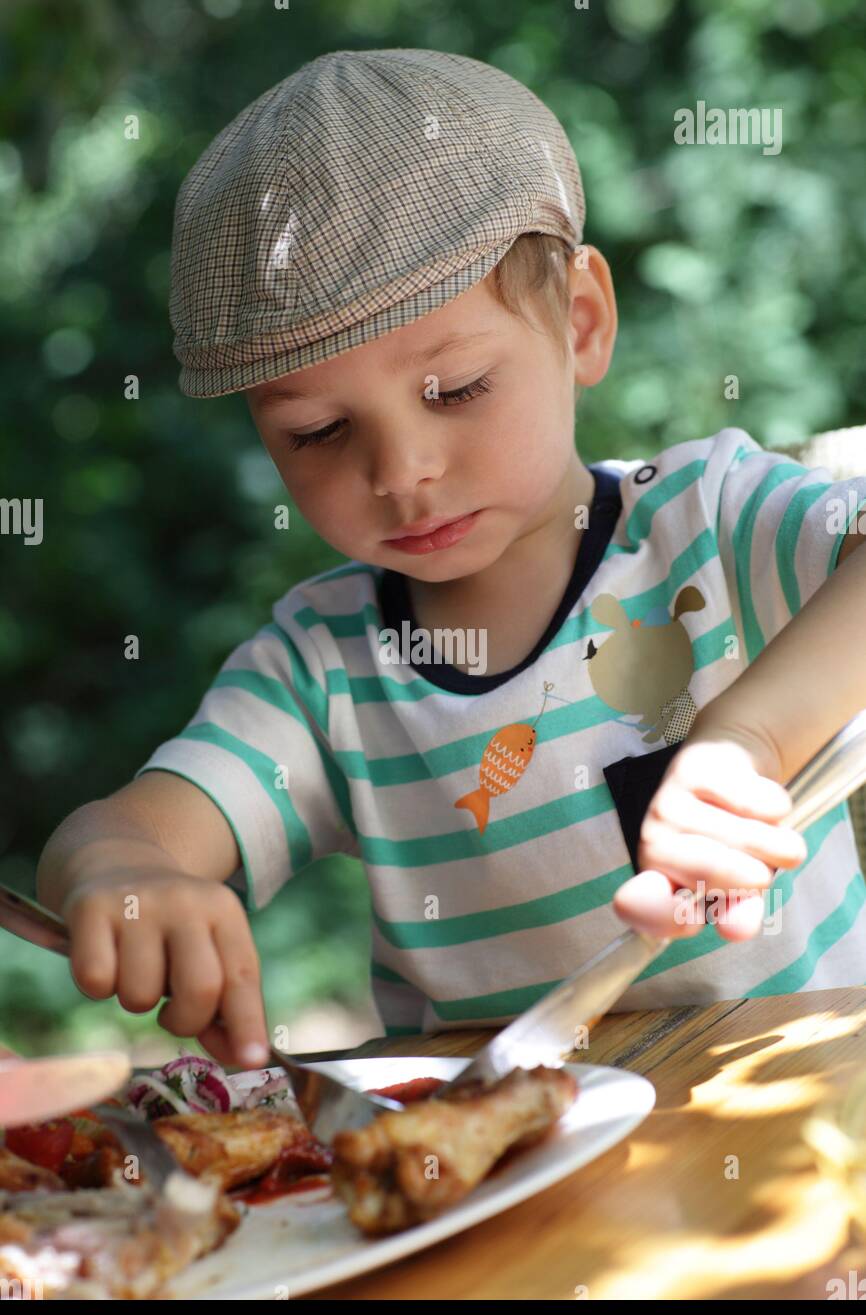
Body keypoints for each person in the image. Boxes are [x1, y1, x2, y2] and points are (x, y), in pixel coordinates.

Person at [36, 49, 866, 1070]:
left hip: (793, 1125)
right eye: (320, 432)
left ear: (580, 323)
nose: (401, 469)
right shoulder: (321, 668)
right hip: (498, 1176)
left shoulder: (709, 522)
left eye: (455, 388)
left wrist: (748, 739)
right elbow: (126, 830)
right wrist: (119, 870)